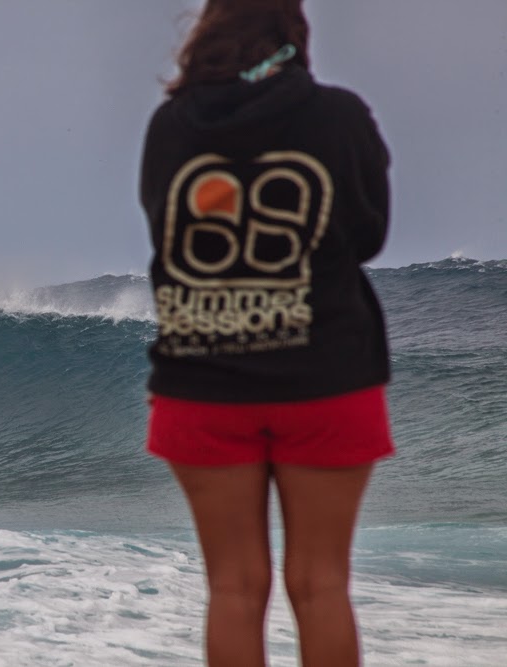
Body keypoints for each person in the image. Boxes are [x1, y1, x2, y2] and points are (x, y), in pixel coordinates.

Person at [138, 2, 393, 665]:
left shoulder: (171, 125)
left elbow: (169, 237)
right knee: (321, 584)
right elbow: (369, 234)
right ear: (293, 29)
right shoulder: (338, 116)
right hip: (327, 375)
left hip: (201, 379)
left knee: (233, 588)